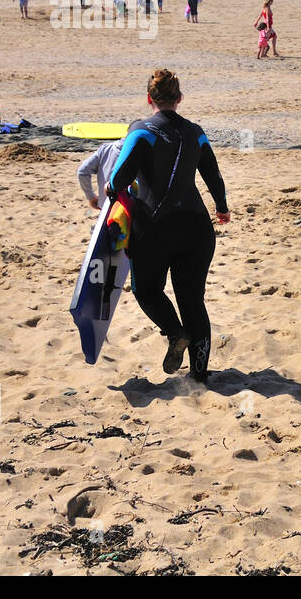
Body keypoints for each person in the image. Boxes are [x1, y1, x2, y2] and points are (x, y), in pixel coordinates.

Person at [107, 69, 229, 382]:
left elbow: (117, 180)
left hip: (154, 228)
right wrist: (222, 208)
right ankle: (199, 375)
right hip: (198, 228)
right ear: (179, 99)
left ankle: (175, 334)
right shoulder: (196, 132)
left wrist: (111, 190)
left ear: (150, 99)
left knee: (146, 290)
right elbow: (213, 177)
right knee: (192, 299)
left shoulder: (140, 130)